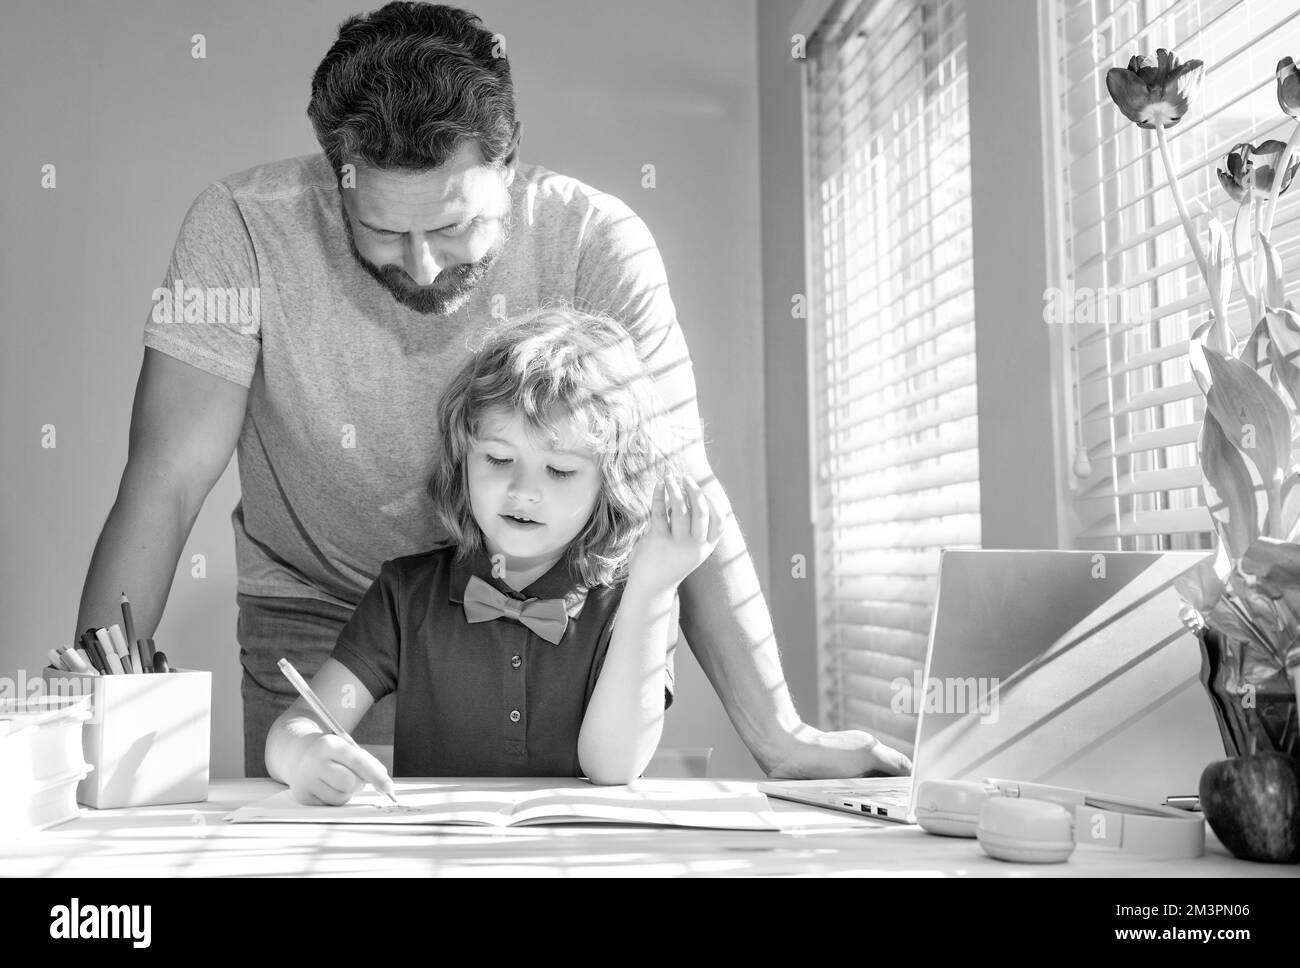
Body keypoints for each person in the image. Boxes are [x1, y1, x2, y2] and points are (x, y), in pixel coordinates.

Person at [74, 1, 910, 781]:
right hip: (316, 615)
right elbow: (166, 479)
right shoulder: (242, 228)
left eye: (449, 226)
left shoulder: (596, 241)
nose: (423, 265)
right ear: (339, 181)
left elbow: (680, 485)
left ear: (506, 164)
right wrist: (91, 716)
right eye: (380, 231)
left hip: (552, 615)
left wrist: (780, 738)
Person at [267, 309, 721, 802]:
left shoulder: (635, 599)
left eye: (561, 470)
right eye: (499, 459)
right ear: (462, 459)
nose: (523, 491)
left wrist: (654, 588)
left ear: (611, 484)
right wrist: (306, 754)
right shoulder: (405, 594)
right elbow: (293, 729)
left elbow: (612, 767)